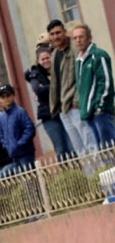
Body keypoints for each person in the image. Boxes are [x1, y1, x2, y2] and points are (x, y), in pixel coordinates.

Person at [48, 19, 98, 154]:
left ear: (65, 32)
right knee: (79, 149)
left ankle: (102, 172)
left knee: (90, 142)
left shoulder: (74, 50)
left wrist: (77, 100)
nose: (55, 36)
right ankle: (91, 175)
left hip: (75, 105)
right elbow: (54, 83)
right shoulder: (54, 55)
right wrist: (54, 106)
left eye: (58, 32)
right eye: (52, 34)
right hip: (63, 108)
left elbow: (81, 77)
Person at [25, 46, 73, 158]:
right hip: (48, 115)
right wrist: (57, 86)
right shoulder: (35, 74)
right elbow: (38, 90)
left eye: (48, 58)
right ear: (38, 61)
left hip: (64, 111)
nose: (46, 61)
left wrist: (47, 87)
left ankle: (78, 174)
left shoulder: (58, 69)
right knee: (60, 148)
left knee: (72, 146)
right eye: (43, 59)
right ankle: (67, 174)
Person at [73, 23, 115, 147]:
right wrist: (82, 106)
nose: (78, 40)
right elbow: (81, 87)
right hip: (88, 112)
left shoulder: (98, 55)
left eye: (81, 37)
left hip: (100, 112)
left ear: (89, 38)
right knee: (102, 150)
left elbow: (106, 82)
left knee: (109, 147)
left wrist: (99, 107)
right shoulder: (79, 60)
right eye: (75, 38)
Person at [0, 84, 36, 171]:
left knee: (31, 178)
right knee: (22, 178)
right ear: (0, 99)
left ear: (13, 96)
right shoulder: (2, 117)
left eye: (8, 95)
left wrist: (19, 144)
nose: (6, 98)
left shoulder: (20, 111)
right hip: (13, 154)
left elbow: (30, 129)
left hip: (25, 152)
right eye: (3, 97)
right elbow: (2, 135)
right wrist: (7, 146)